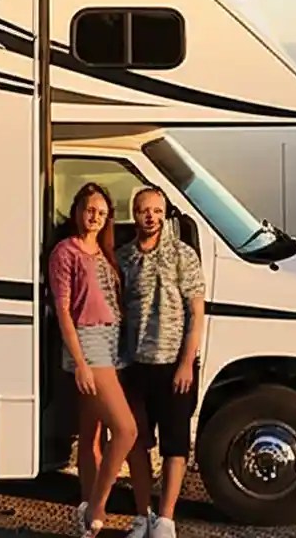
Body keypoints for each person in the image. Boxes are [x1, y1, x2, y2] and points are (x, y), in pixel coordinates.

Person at [47, 182, 138, 538]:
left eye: (102, 212)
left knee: (91, 434)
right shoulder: (65, 252)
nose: (95, 217)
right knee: (126, 429)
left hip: (113, 344)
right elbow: (63, 310)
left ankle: (86, 512)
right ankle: (99, 507)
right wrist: (81, 362)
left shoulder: (103, 252)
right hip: (88, 343)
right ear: (77, 212)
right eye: (90, 210)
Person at [117, 185, 207, 538]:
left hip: (174, 366)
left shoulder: (184, 255)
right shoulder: (123, 258)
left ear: (165, 214)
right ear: (135, 214)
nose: (150, 216)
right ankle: (142, 516)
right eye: (144, 210)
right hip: (135, 364)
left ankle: (165, 520)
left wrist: (187, 362)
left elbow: (196, 313)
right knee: (136, 443)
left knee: (175, 443)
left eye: (157, 210)